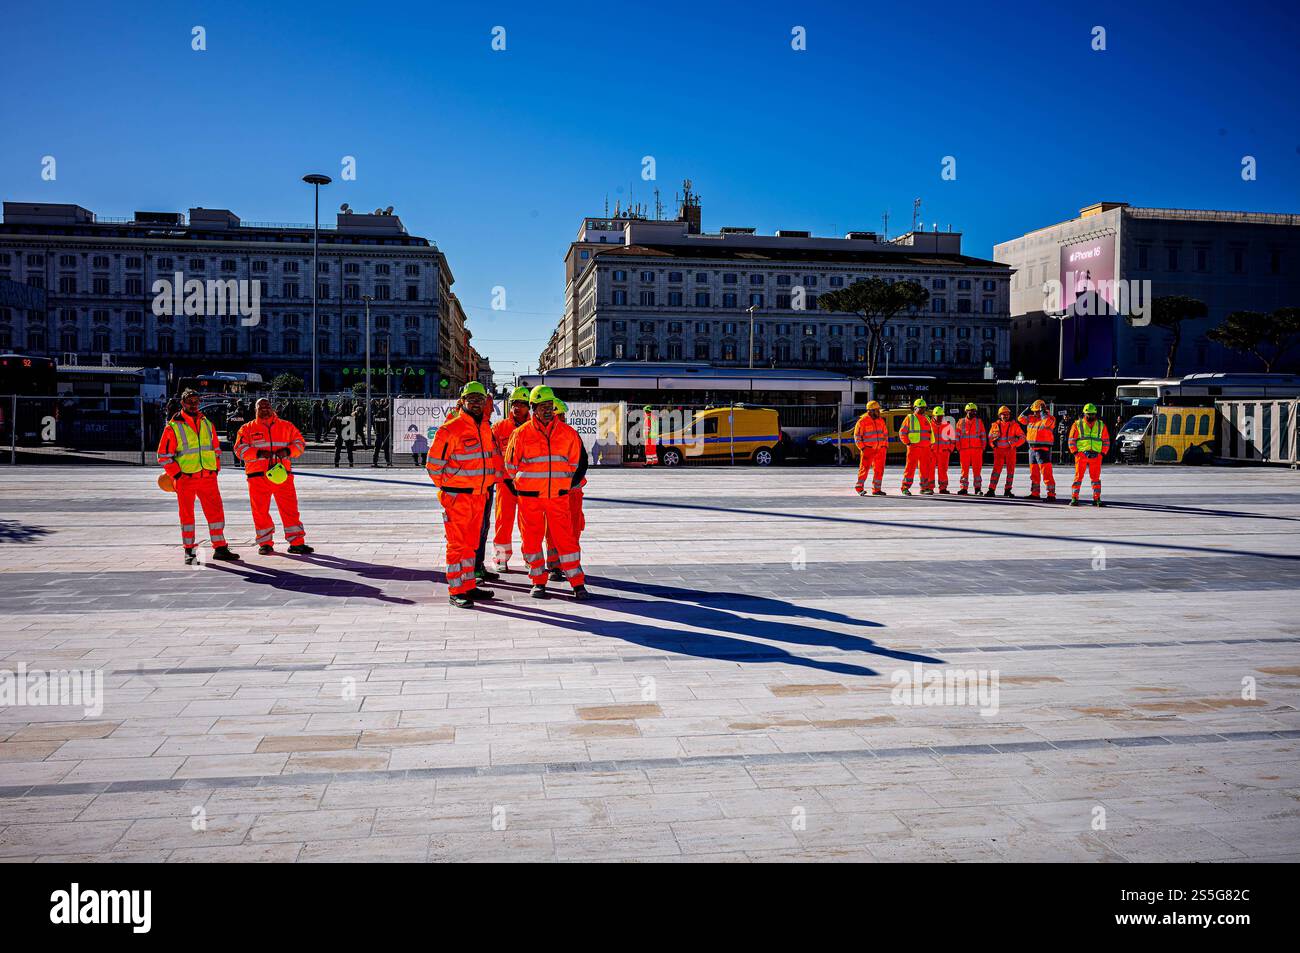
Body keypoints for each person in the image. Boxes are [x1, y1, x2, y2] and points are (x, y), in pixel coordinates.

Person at [503, 385, 591, 600]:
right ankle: (538, 581)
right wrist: (529, 484)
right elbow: (510, 466)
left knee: (566, 540)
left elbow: (574, 464)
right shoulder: (520, 434)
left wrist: (559, 483)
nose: (547, 410)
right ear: (533, 408)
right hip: (530, 499)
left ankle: (577, 583)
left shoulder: (568, 433)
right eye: (542, 406)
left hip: (558, 497)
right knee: (531, 541)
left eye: (550, 405)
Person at [426, 382, 499, 608]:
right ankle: (456, 590)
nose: (476, 403)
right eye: (472, 399)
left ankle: (468, 585)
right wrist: (449, 489)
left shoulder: (485, 427)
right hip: (458, 497)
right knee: (457, 545)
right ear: (462, 401)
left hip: (479, 496)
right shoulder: (450, 429)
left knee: (471, 545)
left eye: (480, 399)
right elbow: (433, 466)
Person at [156, 389, 239, 565]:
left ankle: (220, 547)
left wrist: (215, 469)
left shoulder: (207, 423)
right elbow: (163, 455)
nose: (194, 404)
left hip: (208, 477)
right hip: (186, 478)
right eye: (190, 401)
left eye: (196, 401)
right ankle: (189, 550)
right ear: (183, 403)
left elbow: (216, 449)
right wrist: (177, 474)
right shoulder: (173, 426)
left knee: (216, 512)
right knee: (187, 515)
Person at [234, 398, 314, 555]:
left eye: (267, 406)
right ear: (255, 410)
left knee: (290, 509)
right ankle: (265, 543)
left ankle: (296, 542)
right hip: (257, 477)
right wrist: (258, 453)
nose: (264, 409)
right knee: (260, 511)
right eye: (260, 407)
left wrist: (287, 451)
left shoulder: (286, 426)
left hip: (282, 475)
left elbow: (300, 443)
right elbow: (239, 450)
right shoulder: (246, 429)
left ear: (272, 408)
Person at [546, 398, 589, 580]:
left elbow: (583, 462)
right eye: (558, 415)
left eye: (563, 415)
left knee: (573, 528)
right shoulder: (545, 437)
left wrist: (569, 484)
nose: (562, 418)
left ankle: (571, 565)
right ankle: (555, 565)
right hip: (554, 493)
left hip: (571, 491)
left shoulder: (572, 434)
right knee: (553, 530)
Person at [491, 386, 531, 571]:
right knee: (502, 524)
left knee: (530, 525)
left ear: (529, 407)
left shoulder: (535, 428)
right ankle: (500, 559)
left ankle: (531, 559)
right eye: (514, 403)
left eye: (522, 404)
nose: (517, 408)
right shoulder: (499, 427)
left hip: (528, 485)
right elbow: (493, 454)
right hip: (505, 485)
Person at [1068, 403, 1111, 507]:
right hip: (1081, 455)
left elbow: (1106, 441)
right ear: (1084, 414)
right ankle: (1074, 498)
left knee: (1095, 479)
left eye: (1092, 414)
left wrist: (1102, 453)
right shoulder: (1077, 424)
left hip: (1096, 456)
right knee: (1078, 477)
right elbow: (1071, 440)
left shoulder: (1101, 425)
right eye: (1089, 414)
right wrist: (1075, 452)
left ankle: (1097, 499)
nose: (1091, 416)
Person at [1018, 399, 1058, 500]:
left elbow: (1047, 422)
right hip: (1032, 449)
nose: (1035, 413)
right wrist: (1027, 410)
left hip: (1043, 450)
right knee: (1034, 473)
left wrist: (1043, 412)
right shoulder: (1032, 418)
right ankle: (1035, 493)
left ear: (1042, 410)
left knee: (1046, 473)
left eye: (1037, 411)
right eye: (1034, 411)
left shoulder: (1050, 418)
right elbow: (1020, 419)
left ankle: (1051, 494)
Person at [986, 405, 1026, 497]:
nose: (1005, 416)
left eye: (1007, 414)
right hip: (998, 451)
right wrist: (993, 446)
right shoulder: (995, 425)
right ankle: (991, 489)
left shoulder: (1014, 425)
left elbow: (1023, 437)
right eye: (1003, 414)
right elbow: (990, 438)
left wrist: (1015, 445)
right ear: (999, 415)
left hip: (1010, 451)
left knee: (1010, 471)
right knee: (996, 471)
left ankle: (1007, 490)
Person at [898, 397, 935, 496]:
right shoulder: (910, 418)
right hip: (914, 447)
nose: (923, 409)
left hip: (926, 448)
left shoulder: (927, 418)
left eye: (924, 408)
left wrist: (931, 444)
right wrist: (908, 443)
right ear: (915, 408)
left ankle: (924, 487)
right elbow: (902, 432)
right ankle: (905, 487)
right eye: (921, 408)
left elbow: (930, 433)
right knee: (910, 468)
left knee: (925, 469)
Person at [853, 400, 889, 497]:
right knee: (864, 469)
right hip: (868, 449)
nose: (879, 412)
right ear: (870, 411)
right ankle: (859, 488)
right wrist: (863, 448)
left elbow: (885, 434)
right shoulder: (862, 421)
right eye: (877, 410)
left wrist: (885, 446)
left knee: (879, 470)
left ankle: (877, 489)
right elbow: (857, 437)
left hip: (880, 450)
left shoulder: (880, 420)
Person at [955, 402, 987, 496]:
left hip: (977, 450)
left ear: (975, 412)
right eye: (969, 410)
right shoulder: (960, 422)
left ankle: (977, 489)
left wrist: (983, 447)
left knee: (977, 470)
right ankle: (963, 489)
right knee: (964, 470)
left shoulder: (979, 422)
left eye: (973, 410)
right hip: (964, 450)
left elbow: (983, 435)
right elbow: (957, 436)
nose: (971, 412)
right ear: (966, 411)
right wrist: (958, 448)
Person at [930, 405, 956, 494]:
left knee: (943, 471)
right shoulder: (929, 425)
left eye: (942, 416)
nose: (940, 418)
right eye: (938, 416)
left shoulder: (947, 425)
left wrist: (949, 449)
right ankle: (930, 487)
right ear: (933, 416)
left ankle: (943, 488)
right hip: (931, 452)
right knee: (930, 470)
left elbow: (953, 439)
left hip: (944, 452)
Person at [331, 402, 356, 467]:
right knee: (349, 450)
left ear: (340, 409)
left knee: (337, 450)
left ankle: (336, 463)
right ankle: (351, 463)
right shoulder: (349, 416)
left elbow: (330, 425)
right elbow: (353, 427)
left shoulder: (336, 416)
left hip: (339, 434)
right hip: (347, 435)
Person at [225, 400, 247, 469]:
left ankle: (237, 464)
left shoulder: (233, 416)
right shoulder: (245, 416)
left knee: (236, 450)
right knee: (244, 450)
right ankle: (242, 464)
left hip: (235, 436)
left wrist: (228, 434)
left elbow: (228, 424)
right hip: (243, 437)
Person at [370, 397, 392, 467]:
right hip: (381, 433)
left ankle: (378, 462)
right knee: (383, 448)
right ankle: (387, 462)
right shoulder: (385, 413)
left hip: (380, 433)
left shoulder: (377, 414)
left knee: (380, 448)